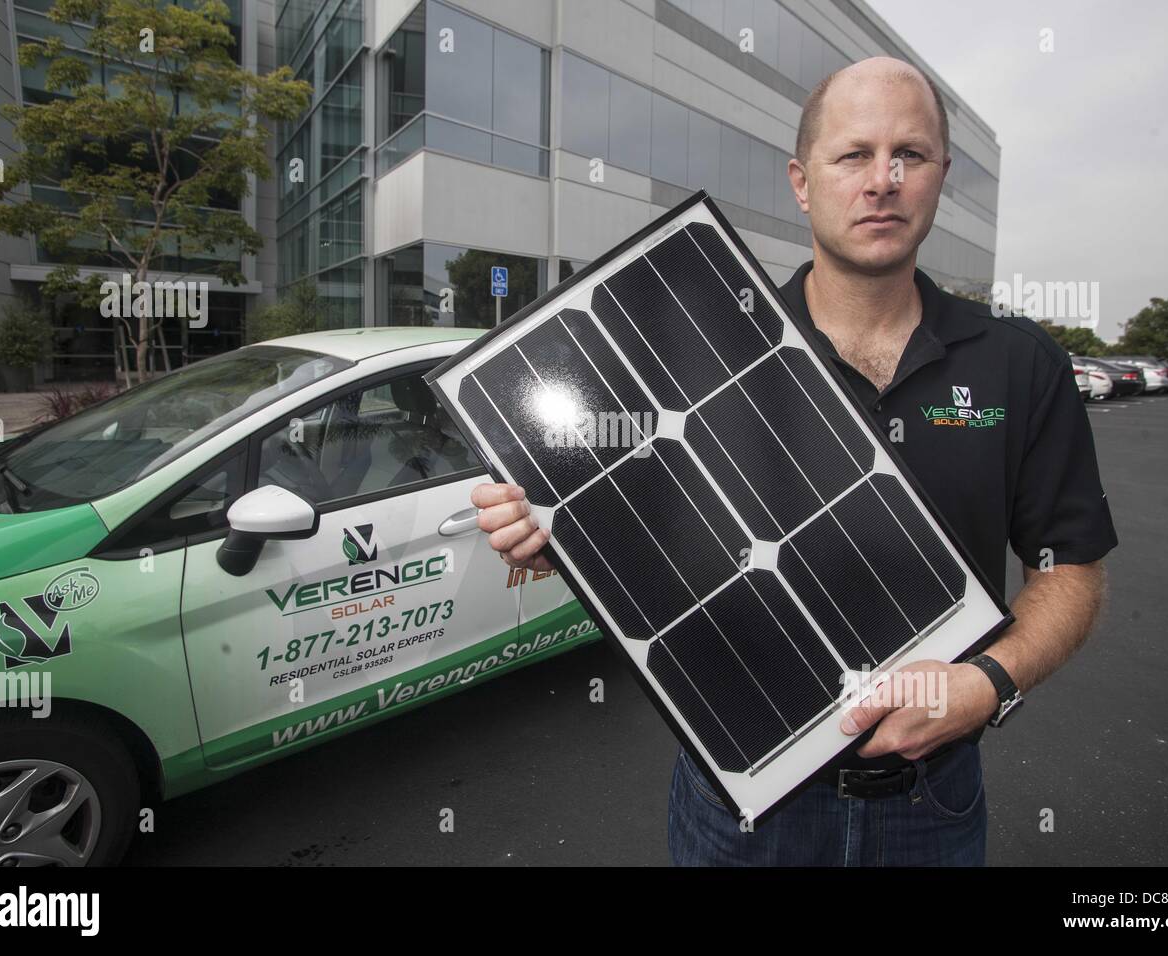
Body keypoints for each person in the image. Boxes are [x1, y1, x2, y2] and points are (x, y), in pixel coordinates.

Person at [471, 56, 1117, 866]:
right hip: (740, 812)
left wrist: (990, 682)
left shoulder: (1018, 365)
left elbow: (1072, 572)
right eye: (853, 155)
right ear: (802, 182)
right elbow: (645, 546)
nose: (882, 180)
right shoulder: (698, 354)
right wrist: (551, 536)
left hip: (931, 801)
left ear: (940, 179)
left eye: (909, 155)